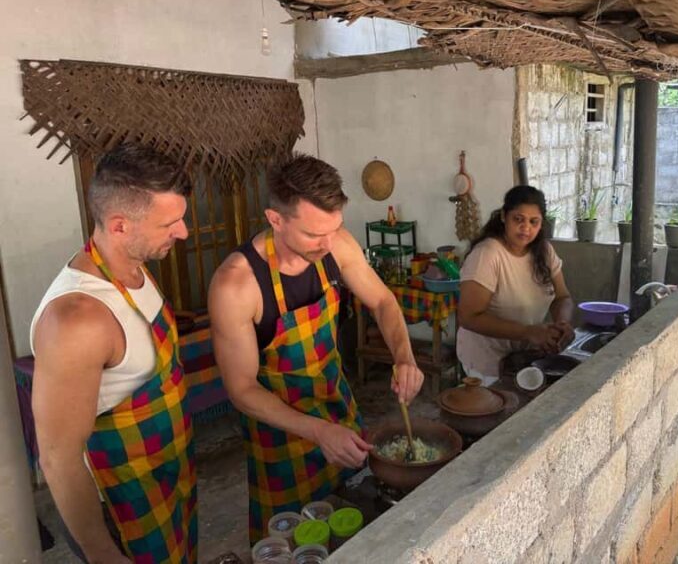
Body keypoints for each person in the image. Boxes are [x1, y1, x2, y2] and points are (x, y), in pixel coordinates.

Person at [208, 153, 424, 543]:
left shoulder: (335, 245)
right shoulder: (236, 285)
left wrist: (405, 358)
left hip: (339, 410)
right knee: (297, 539)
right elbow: (240, 389)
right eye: (313, 235)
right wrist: (317, 432)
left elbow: (383, 302)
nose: (328, 243)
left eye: (335, 228)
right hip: (281, 436)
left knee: (355, 518)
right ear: (276, 220)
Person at [30, 143, 197, 564]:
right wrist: (103, 553)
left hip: (166, 476)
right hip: (122, 506)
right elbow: (58, 457)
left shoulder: (134, 269)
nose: (184, 232)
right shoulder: (78, 320)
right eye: (170, 223)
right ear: (120, 225)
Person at [456, 185, 575, 385]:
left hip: (525, 356)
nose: (525, 228)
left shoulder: (544, 251)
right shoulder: (487, 255)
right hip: (488, 363)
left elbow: (562, 297)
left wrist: (562, 324)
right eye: (518, 219)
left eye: (533, 222)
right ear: (504, 216)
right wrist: (529, 332)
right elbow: (468, 317)